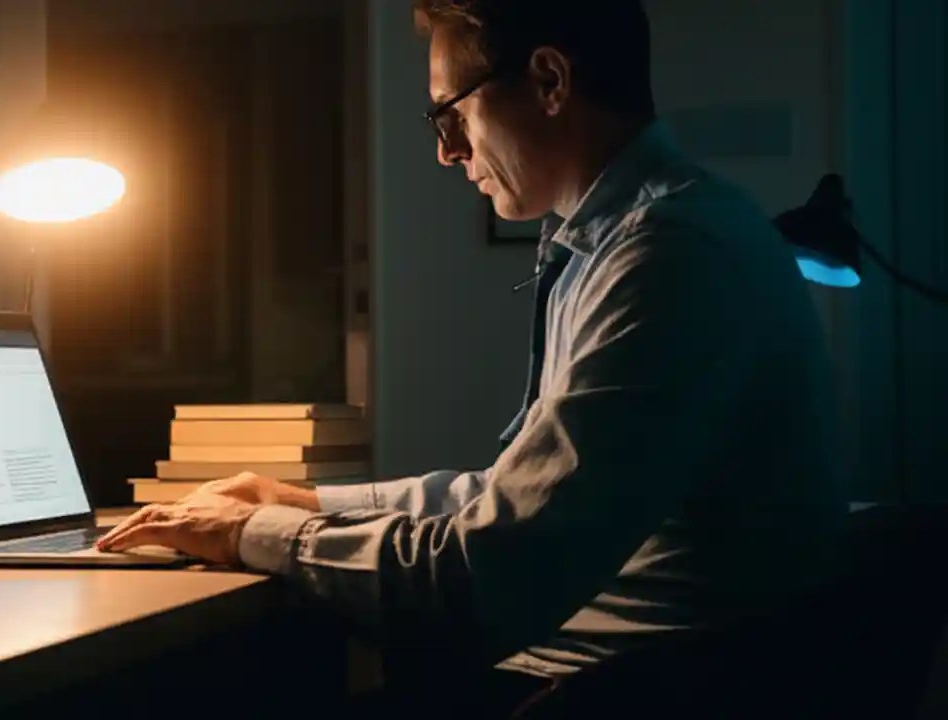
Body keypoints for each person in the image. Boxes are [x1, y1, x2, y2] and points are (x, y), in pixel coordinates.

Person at [99, 0, 846, 715]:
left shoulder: (668, 255)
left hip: (623, 695)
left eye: (450, 114)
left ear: (550, 82)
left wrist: (246, 534)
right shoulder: (631, 237)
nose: (446, 149)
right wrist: (303, 503)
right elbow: (510, 498)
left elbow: (487, 577)